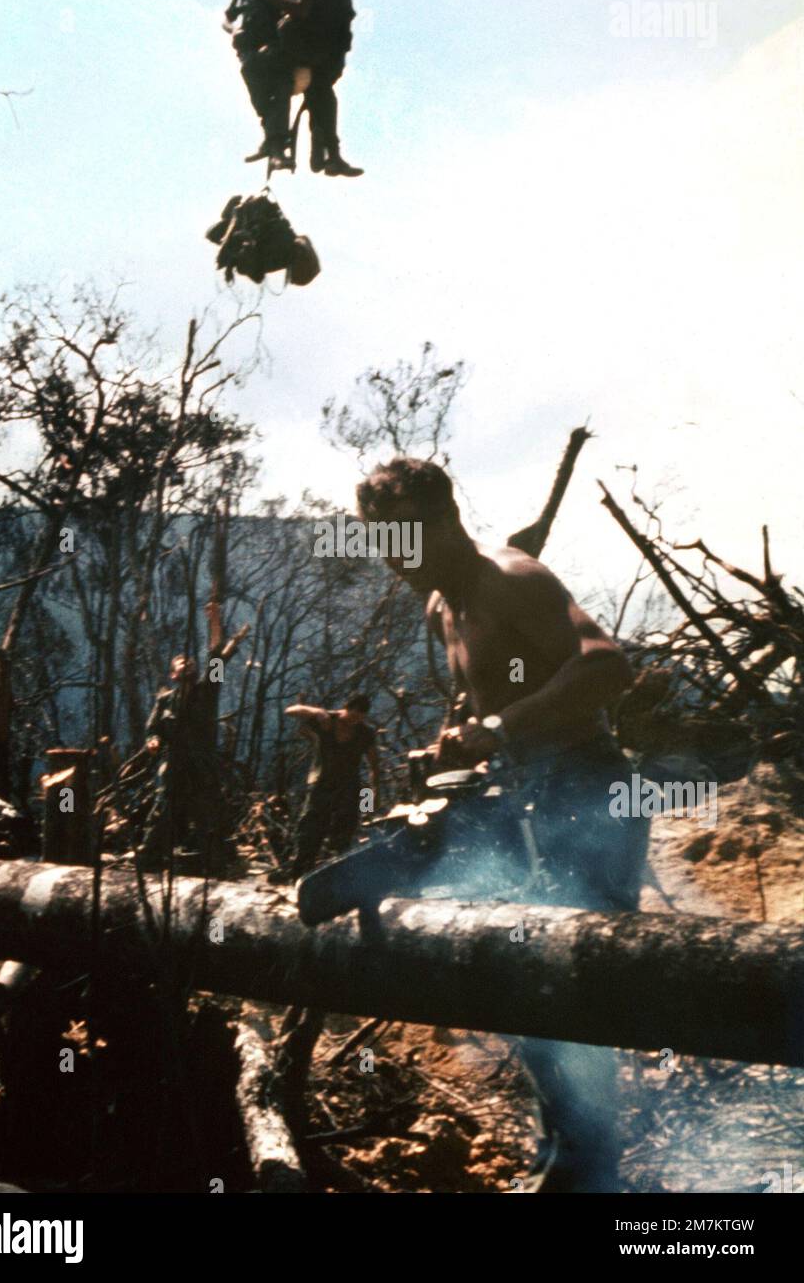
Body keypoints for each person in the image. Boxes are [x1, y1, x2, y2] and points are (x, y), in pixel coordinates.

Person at [354, 457, 648, 1193]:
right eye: (384, 549)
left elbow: (608, 665)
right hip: (522, 802)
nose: (396, 564)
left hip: (590, 794)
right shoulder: (441, 606)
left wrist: (501, 724)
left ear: (445, 522)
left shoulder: (511, 578)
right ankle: (563, 1163)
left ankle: (593, 1179)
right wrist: (456, 737)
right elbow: (478, 699)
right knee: (527, 986)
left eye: (405, 545)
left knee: (578, 988)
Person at [238, 0, 363, 176]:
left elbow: (302, 10)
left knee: (255, 69)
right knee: (320, 92)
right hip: (333, 52)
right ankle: (330, 153)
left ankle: (274, 140)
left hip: (308, 46)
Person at [137, 605, 250, 873]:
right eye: (181, 663)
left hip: (202, 766)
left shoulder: (209, 689)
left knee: (207, 815)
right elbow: (151, 728)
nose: (187, 664)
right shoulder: (165, 700)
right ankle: (150, 860)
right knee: (162, 812)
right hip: (174, 765)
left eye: (190, 662)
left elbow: (217, 657)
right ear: (173, 674)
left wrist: (214, 620)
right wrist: (152, 741)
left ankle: (214, 865)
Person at [284, 693, 380, 876]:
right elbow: (290, 711)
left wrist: (372, 797)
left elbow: (374, 766)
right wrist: (317, 711)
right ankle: (300, 869)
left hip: (349, 785)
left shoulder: (365, 733)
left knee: (346, 829)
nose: (354, 721)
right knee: (311, 828)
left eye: (359, 718)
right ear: (346, 709)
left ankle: (336, 873)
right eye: (352, 716)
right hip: (321, 782)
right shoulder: (326, 719)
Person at [224, 0, 287, 161]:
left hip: (273, 47)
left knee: (280, 86)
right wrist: (234, 28)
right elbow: (229, 18)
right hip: (248, 49)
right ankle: (272, 140)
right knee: (259, 91)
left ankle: (275, 142)